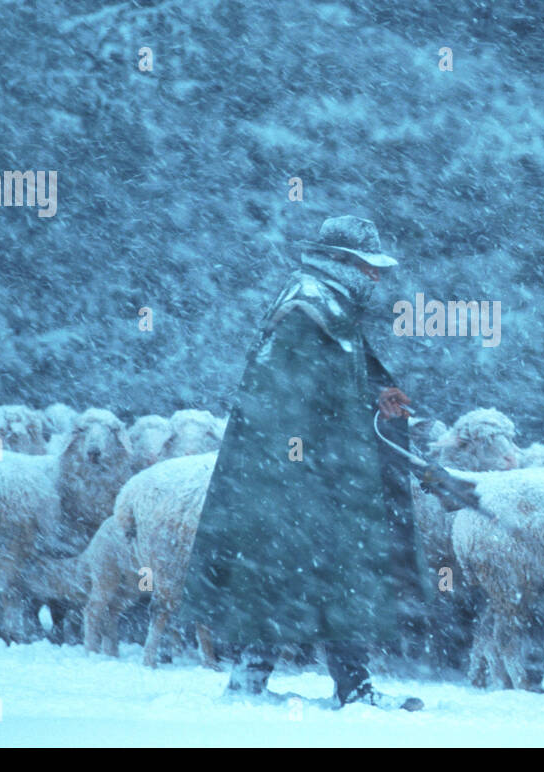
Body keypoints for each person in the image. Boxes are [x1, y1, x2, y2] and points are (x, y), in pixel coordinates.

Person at [182, 216, 432, 709]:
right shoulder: (307, 307)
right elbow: (287, 399)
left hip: (316, 472)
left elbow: (335, 380)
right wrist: (324, 447)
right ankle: (268, 682)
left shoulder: (331, 306)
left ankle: (313, 684)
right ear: (341, 261)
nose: (376, 278)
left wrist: (377, 392)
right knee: (297, 570)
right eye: (368, 266)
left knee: (316, 572)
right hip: (298, 475)